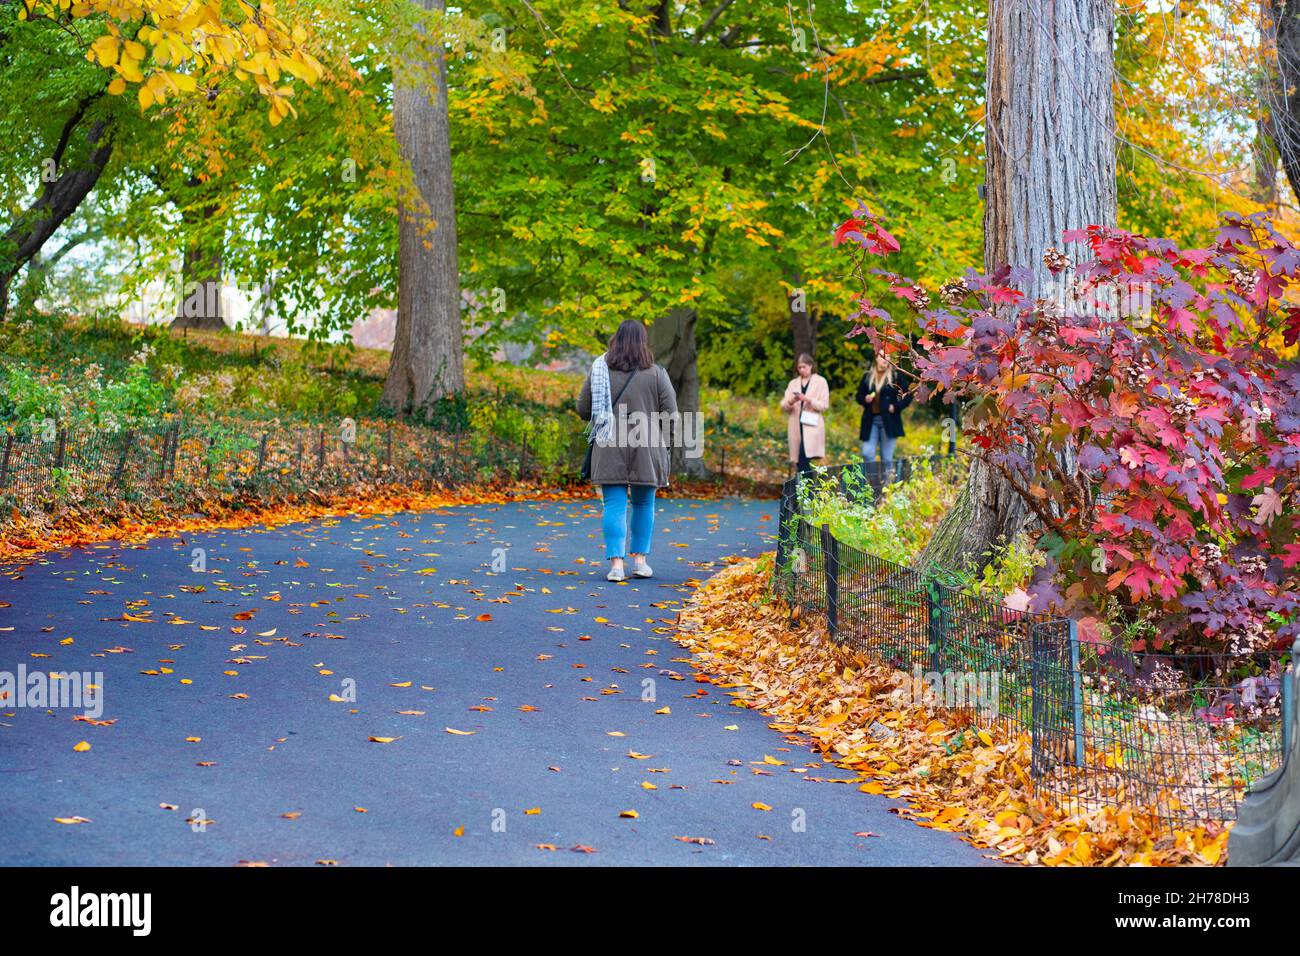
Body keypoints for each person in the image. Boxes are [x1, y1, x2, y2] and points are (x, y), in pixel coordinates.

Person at [577, 320, 678, 582]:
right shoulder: (657, 373)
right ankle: (640, 562)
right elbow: (671, 414)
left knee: (613, 504)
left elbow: (583, 408)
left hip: (609, 442)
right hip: (647, 444)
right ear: (643, 342)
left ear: (616, 341)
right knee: (644, 503)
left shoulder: (600, 370)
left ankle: (616, 566)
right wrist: (665, 444)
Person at [855, 352, 912, 479]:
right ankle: (872, 482)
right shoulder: (868, 376)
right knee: (867, 452)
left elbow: (908, 396)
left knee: (886, 457)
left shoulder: (896, 376)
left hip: (889, 421)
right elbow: (858, 396)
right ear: (876, 358)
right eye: (881, 356)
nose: (885, 359)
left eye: (888, 357)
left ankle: (888, 490)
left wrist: (895, 407)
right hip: (871, 421)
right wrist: (865, 398)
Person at [780, 353, 829, 474]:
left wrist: (807, 399)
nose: (802, 370)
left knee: (804, 457)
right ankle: (806, 489)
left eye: (804, 367)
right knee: (798, 461)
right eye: (799, 367)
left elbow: (824, 405)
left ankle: (805, 490)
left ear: (811, 366)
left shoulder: (821, 382)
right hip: (796, 425)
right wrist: (792, 400)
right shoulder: (793, 384)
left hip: (812, 425)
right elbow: (783, 405)